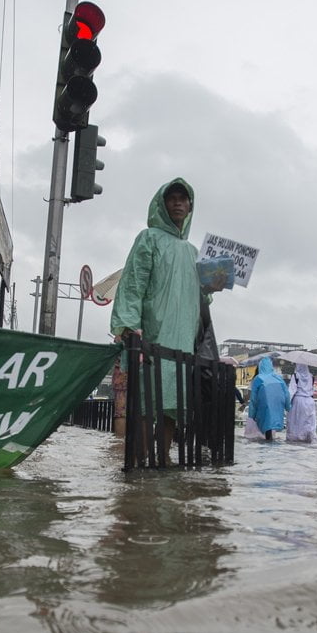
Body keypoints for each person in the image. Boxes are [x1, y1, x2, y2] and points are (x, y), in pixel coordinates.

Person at [110, 178, 200, 451]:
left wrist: (214, 285)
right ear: (161, 205)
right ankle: (140, 460)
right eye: (171, 198)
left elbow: (201, 297)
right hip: (151, 334)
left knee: (172, 402)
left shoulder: (194, 252)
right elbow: (134, 283)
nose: (177, 203)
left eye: (183, 199)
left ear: (190, 206)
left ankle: (161, 461)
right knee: (146, 401)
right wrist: (129, 323)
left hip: (183, 338)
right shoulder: (148, 238)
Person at [248, 355, 290, 440]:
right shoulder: (278, 378)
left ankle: (268, 442)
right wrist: (288, 406)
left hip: (264, 403)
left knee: (266, 424)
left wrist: (251, 414)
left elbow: (253, 398)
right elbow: (286, 393)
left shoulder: (258, 378)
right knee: (272, 424)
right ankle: (270, 441)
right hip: (278, 404)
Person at [285, 363, 317, 442]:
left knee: (296, 421)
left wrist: (287, 403)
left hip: (298, 400)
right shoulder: (311, 376)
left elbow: (291, 390)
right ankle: (309, 437)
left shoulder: (296, 376)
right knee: (309, 421)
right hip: (310, 401)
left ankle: (296, 437)